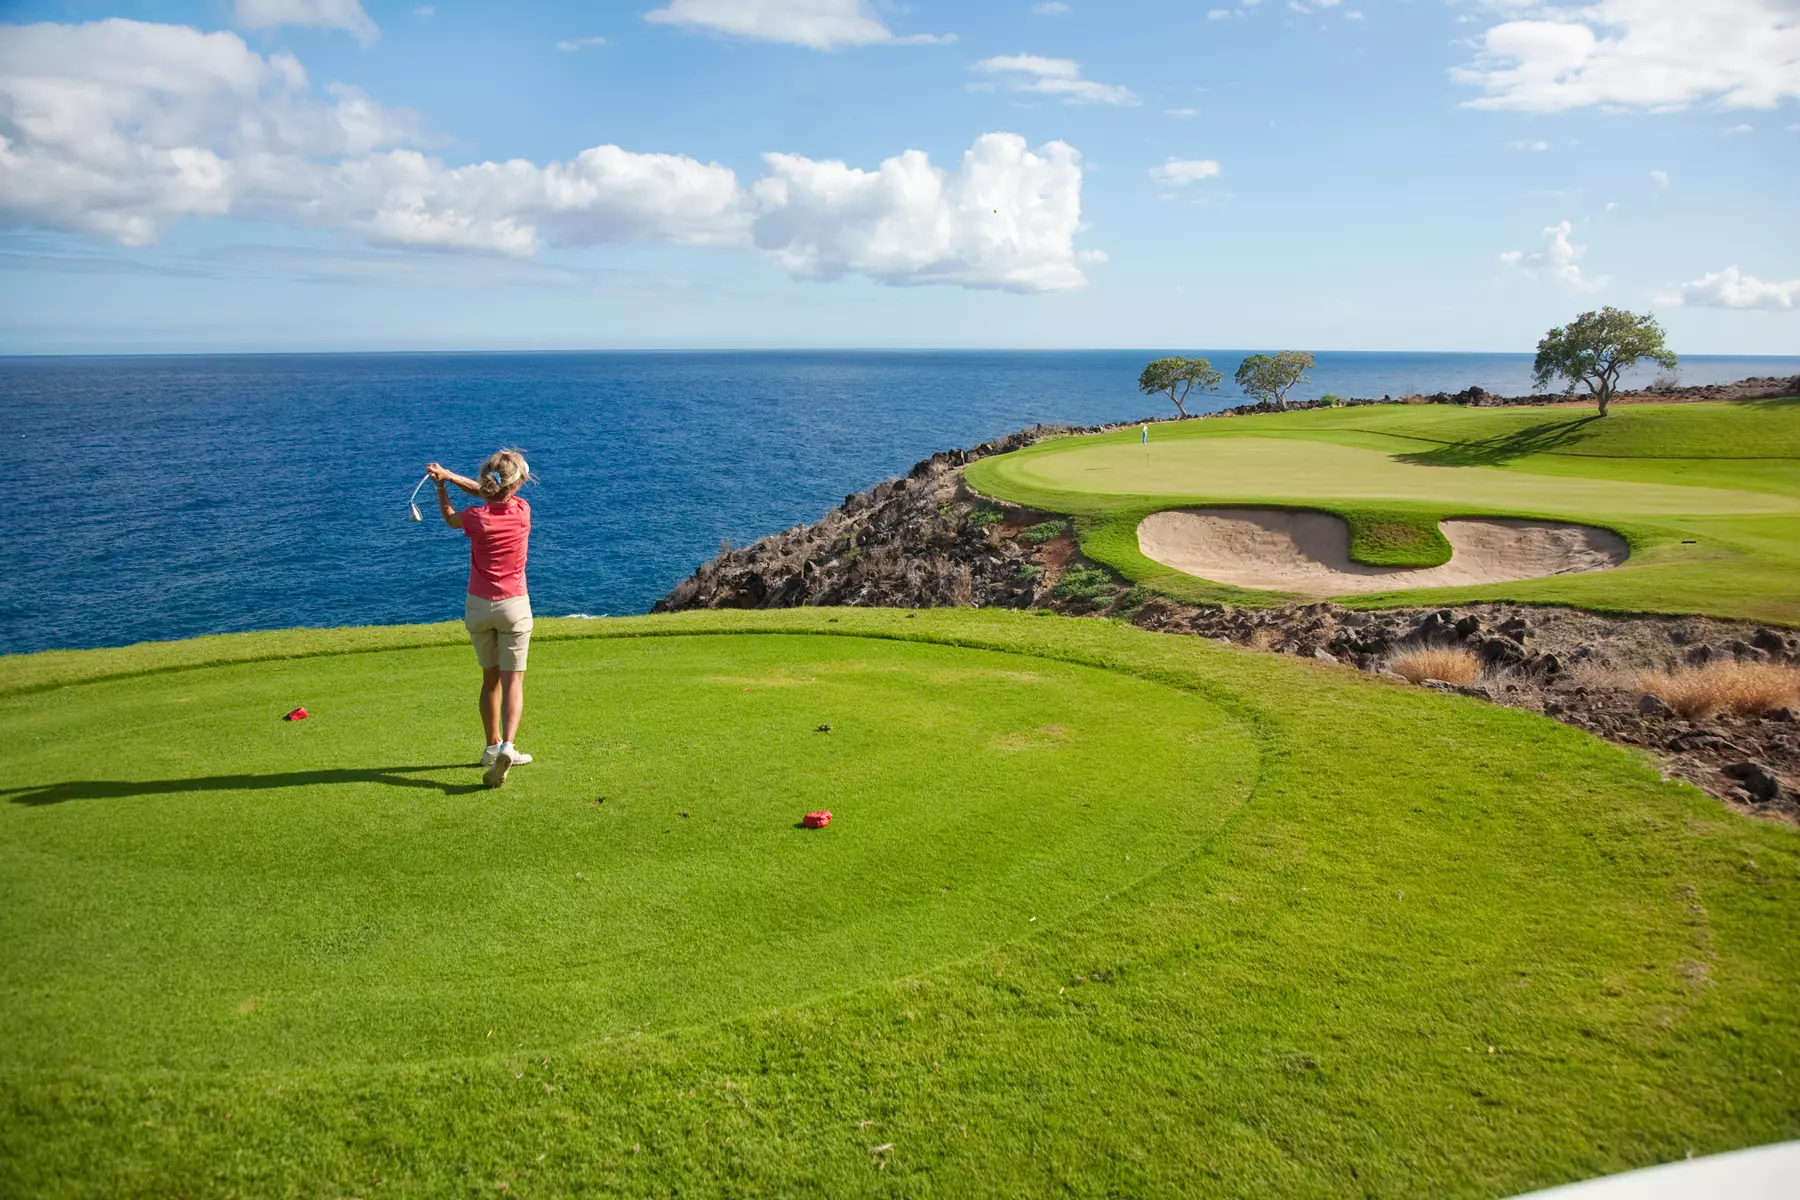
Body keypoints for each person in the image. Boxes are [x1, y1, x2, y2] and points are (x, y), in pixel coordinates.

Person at [425, 449, 536, 788]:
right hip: (514, 606)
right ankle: (508, 746)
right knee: (513, 680)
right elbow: (493, 493)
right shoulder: (522, 511)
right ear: (517, 483)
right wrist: (451, 476)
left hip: (478, 606)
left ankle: (491, 746)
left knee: (490, 680)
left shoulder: (475, 517)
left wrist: (442, 484)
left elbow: (450, 516)